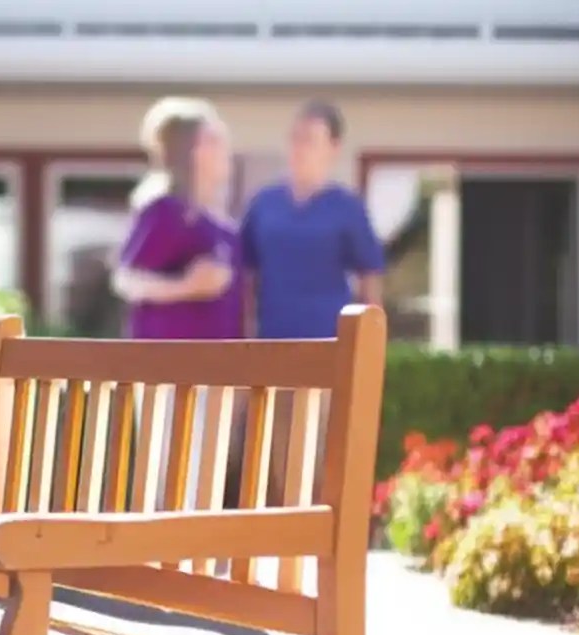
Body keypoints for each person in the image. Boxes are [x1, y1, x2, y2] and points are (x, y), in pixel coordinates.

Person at [240, 99, 386, 504]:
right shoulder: (264, 205)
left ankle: (321, 538)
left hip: (328, 347)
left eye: (310, 138)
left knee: (321, 446)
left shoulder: (346, 208)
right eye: (295, 137)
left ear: (333, 147)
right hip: (271, 347)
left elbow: (370, 277)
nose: (299, 146)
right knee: (272, 447)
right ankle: (275, 540)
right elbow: (245, 276)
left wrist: (371, 346)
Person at [110, 97, 241, 509]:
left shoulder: (219, 224)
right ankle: (158, 569)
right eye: (217, 140)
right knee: (168, 481)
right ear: (197, 147)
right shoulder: (163, 210)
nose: (226, 151)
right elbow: (126, 278)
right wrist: (187, 285)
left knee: (204, 483)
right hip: (166, 373)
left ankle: (193, 570)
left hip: (213, 372)